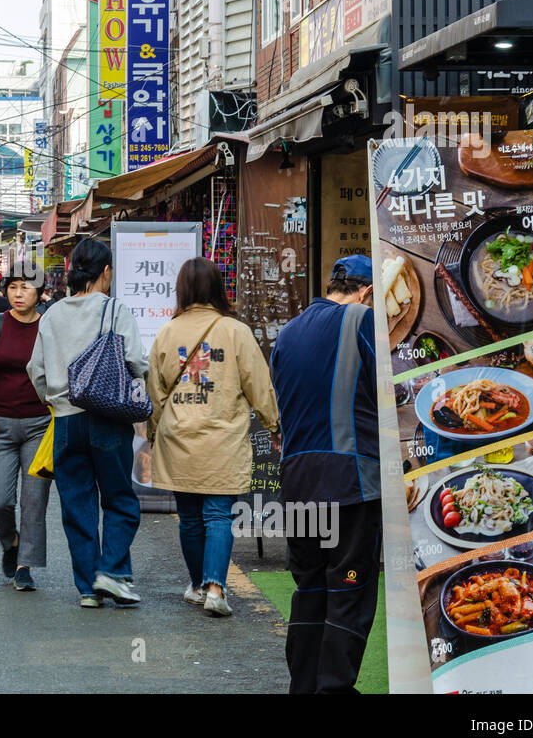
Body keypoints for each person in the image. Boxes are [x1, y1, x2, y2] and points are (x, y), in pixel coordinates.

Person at [269, 254, 381, 694]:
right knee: (348, 591)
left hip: (297, 482)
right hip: (349, 479)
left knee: (310, 587)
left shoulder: (289, 332)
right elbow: (388, 391)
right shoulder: (362, 320)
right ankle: (334, 688)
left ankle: (304, 686)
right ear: (367, 291)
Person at [147, 258, 280, 617]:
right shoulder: (235, 331)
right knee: (219, 514)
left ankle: (196, 586)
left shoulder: (166, 333)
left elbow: (155, 392)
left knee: (189, 518)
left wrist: (154, 431)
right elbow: (259, 385)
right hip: (222, 439)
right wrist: (273, 424)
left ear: (182, 290)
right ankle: (216, 589)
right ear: (218, 289)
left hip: (178, 439)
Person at [28, 239, 148, 607]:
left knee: (77, 505)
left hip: (66, 422)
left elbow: (36, 371)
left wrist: (56, 401)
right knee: (120, 500)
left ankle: (88, 588)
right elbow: (136, 363)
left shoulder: (51, 315)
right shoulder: (115, 309)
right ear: (106, 272)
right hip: (108, 419)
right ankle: (111, 572)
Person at [0, 266, 51, 591]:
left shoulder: (48, 326)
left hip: (40, 423)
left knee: (35, 498)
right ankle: (10, 541)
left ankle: (24, 565)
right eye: (13, 287)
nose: (18, 294)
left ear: (40, 293)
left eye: (26, 288)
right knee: (0, 499)